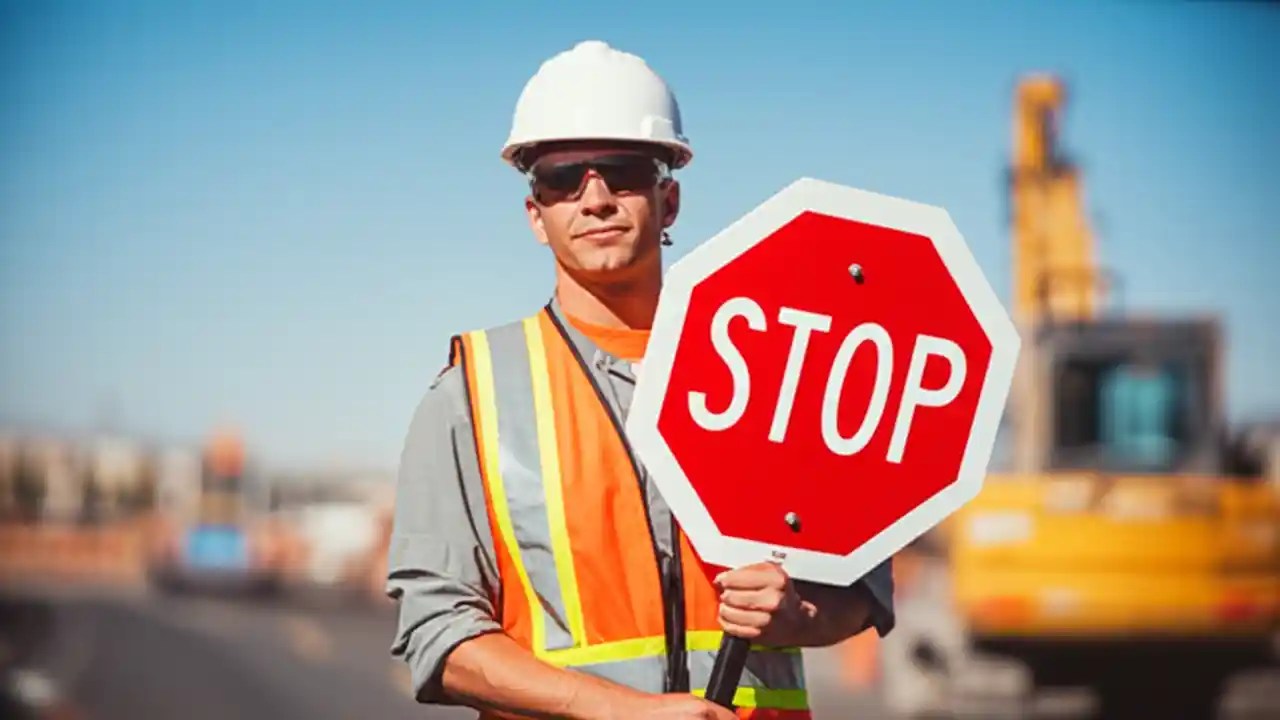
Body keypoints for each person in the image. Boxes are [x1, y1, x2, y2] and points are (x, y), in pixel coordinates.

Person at [386, 40, 895, 719]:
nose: (594, 199)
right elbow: (438, 637)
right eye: (563, 178)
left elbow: (865, 587)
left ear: (670, 199)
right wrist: (621, 710)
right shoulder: (471, 394)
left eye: (623, 172)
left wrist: (801, 614)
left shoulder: (778, 365)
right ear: (536, 215)